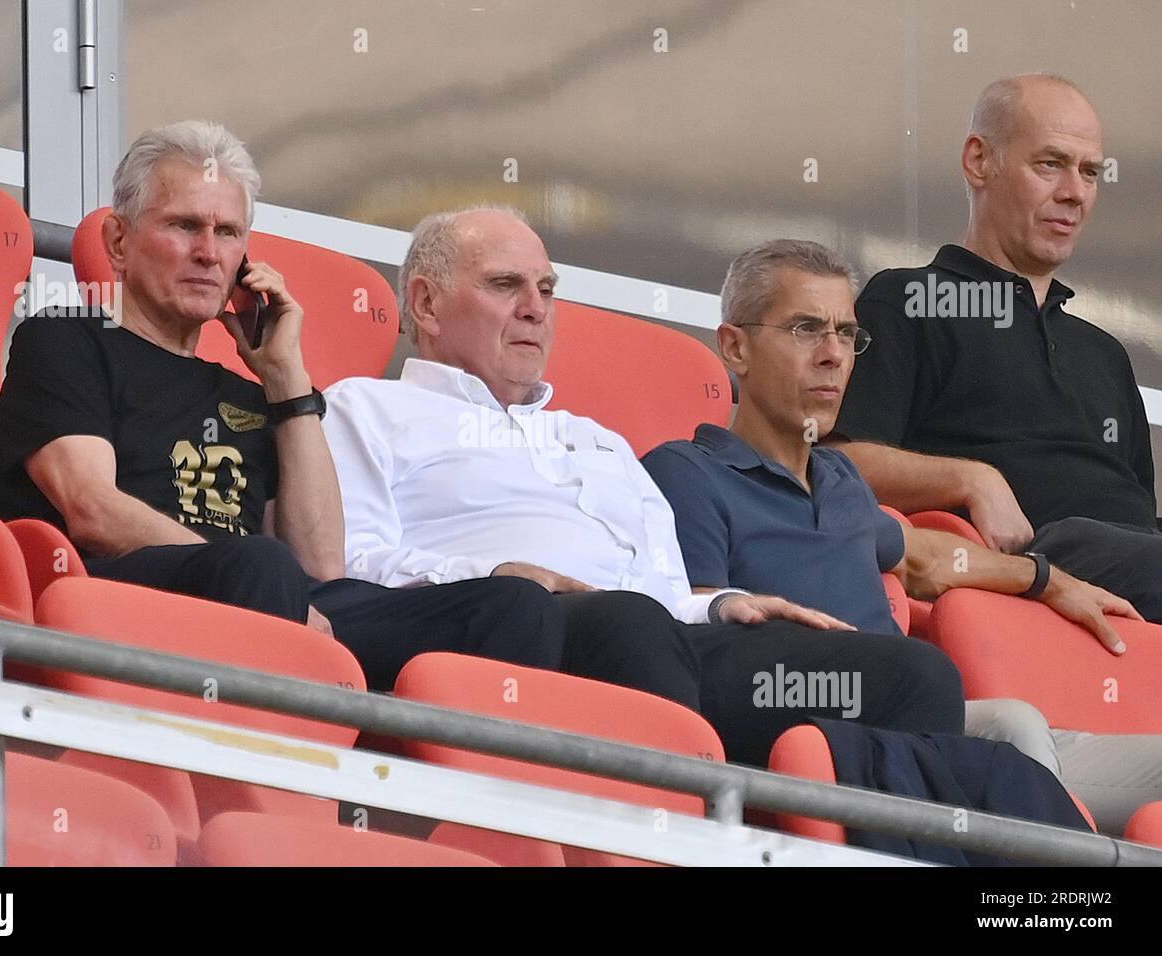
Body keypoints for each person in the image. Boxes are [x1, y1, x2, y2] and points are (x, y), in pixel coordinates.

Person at [322, 205, 966, 767]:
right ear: (427, 304)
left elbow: (665, 593)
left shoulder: (597, 441)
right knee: (629, 622)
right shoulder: (364, 410)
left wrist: (723, 606)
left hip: (675, 648)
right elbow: (346, 566)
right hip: (530, 643)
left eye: (546, 289)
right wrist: (497, 572)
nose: (534, 309)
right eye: (504, 285)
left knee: (914, 675)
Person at [0, 122, 567, 686]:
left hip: (269, 598)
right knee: (261, 565)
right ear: (119, 241)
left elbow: (321, 565)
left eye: (229, 233)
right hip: (117, 594)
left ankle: (486, 786)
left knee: (511, 606)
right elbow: (93, 510)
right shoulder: (66, 337)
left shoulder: (252, 398)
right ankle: (264, 778)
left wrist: (286, 378)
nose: (210, 254)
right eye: (186, 226)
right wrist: (270, 579)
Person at [643, 238, 1162, 833]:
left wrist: (1046, 579)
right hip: (811, 727)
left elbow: (926, 559)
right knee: (1008, 725)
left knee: (1022, 729)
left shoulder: (841, 480)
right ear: (735, 346)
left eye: (847, 335)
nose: (833, 355)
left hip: (915, 713)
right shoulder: (685, 472)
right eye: (807, 330)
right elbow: (700, 634)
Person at [829, 73, 1162, 622]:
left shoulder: (1105, 354)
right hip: (1032, 564)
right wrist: (971, 477)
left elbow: (1135, 519)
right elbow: (834, 466)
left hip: (1133, 578)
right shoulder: (909, 300)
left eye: (1090, 172)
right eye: (1050, 164)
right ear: (980, 161)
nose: (1075, 193)